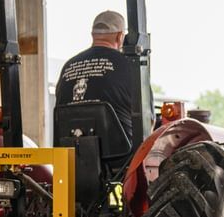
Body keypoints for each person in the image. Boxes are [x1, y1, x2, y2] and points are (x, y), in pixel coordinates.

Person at [54, 10, 153, 144]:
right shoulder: (131, 65)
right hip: (121, 154)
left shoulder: (68, 66)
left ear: (93, 35)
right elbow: (148, 121)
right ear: (120, 37)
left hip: (72, 151)